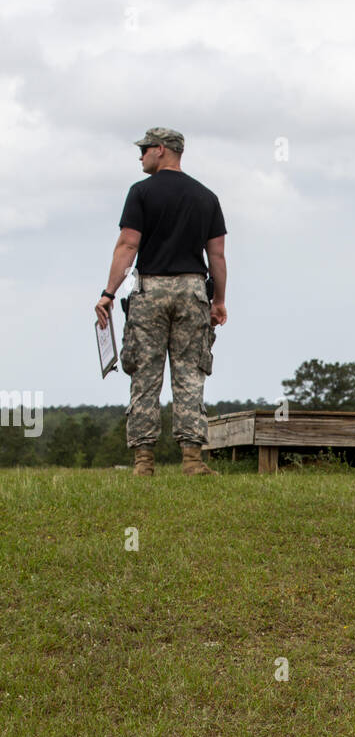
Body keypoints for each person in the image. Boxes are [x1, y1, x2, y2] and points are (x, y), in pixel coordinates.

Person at [95, 127, 227, 477]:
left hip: (150, 289)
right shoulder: (206, 197)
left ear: (162, 150)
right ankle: (192, 460)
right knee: (190, 374)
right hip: (193, 290)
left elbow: (127, 246)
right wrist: (219, 301)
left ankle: (143, 462)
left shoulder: (140, 193)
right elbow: (217, 256)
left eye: (144, 150)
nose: (140, 157)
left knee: (145, 375)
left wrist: (109, 293)